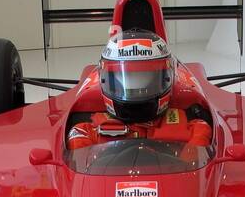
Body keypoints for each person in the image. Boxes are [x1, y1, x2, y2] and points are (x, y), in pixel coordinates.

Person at [67, 30, 211, 152]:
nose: (135, 89)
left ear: (166, 77)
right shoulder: (85, 131)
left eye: (144, 77)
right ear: (106, 79)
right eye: (126, 78)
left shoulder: (197, 128)